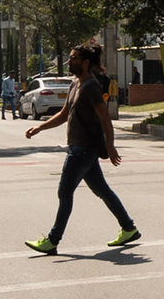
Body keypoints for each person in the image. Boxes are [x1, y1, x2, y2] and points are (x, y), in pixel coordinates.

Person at [25, 44, 140, 256]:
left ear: (86, 62)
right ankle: (129, 228)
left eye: (74, 58)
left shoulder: (91, 86)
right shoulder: (76, 84)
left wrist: (111, 146)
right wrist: (40, 127)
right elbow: (64, 113)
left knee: (65, 192)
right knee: (102, 190)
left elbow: (105, 118)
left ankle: (52, 240)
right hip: (80, 149)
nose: (70, 62)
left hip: (83, 150)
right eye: (70, 58)